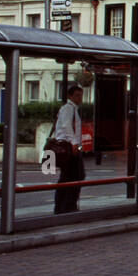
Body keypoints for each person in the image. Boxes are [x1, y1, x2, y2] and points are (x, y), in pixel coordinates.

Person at [51, 84, 86, 213]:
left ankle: (66, 205)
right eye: (77, 95)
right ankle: (66, 205)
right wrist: (74, 143)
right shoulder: (68, 108)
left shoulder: (73, 109)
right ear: (70, 96)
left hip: (71, 146)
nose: (79, 98)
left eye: (80, 95)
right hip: (69, 147)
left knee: (72, 176)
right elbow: (66, 126)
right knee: (73, 176)